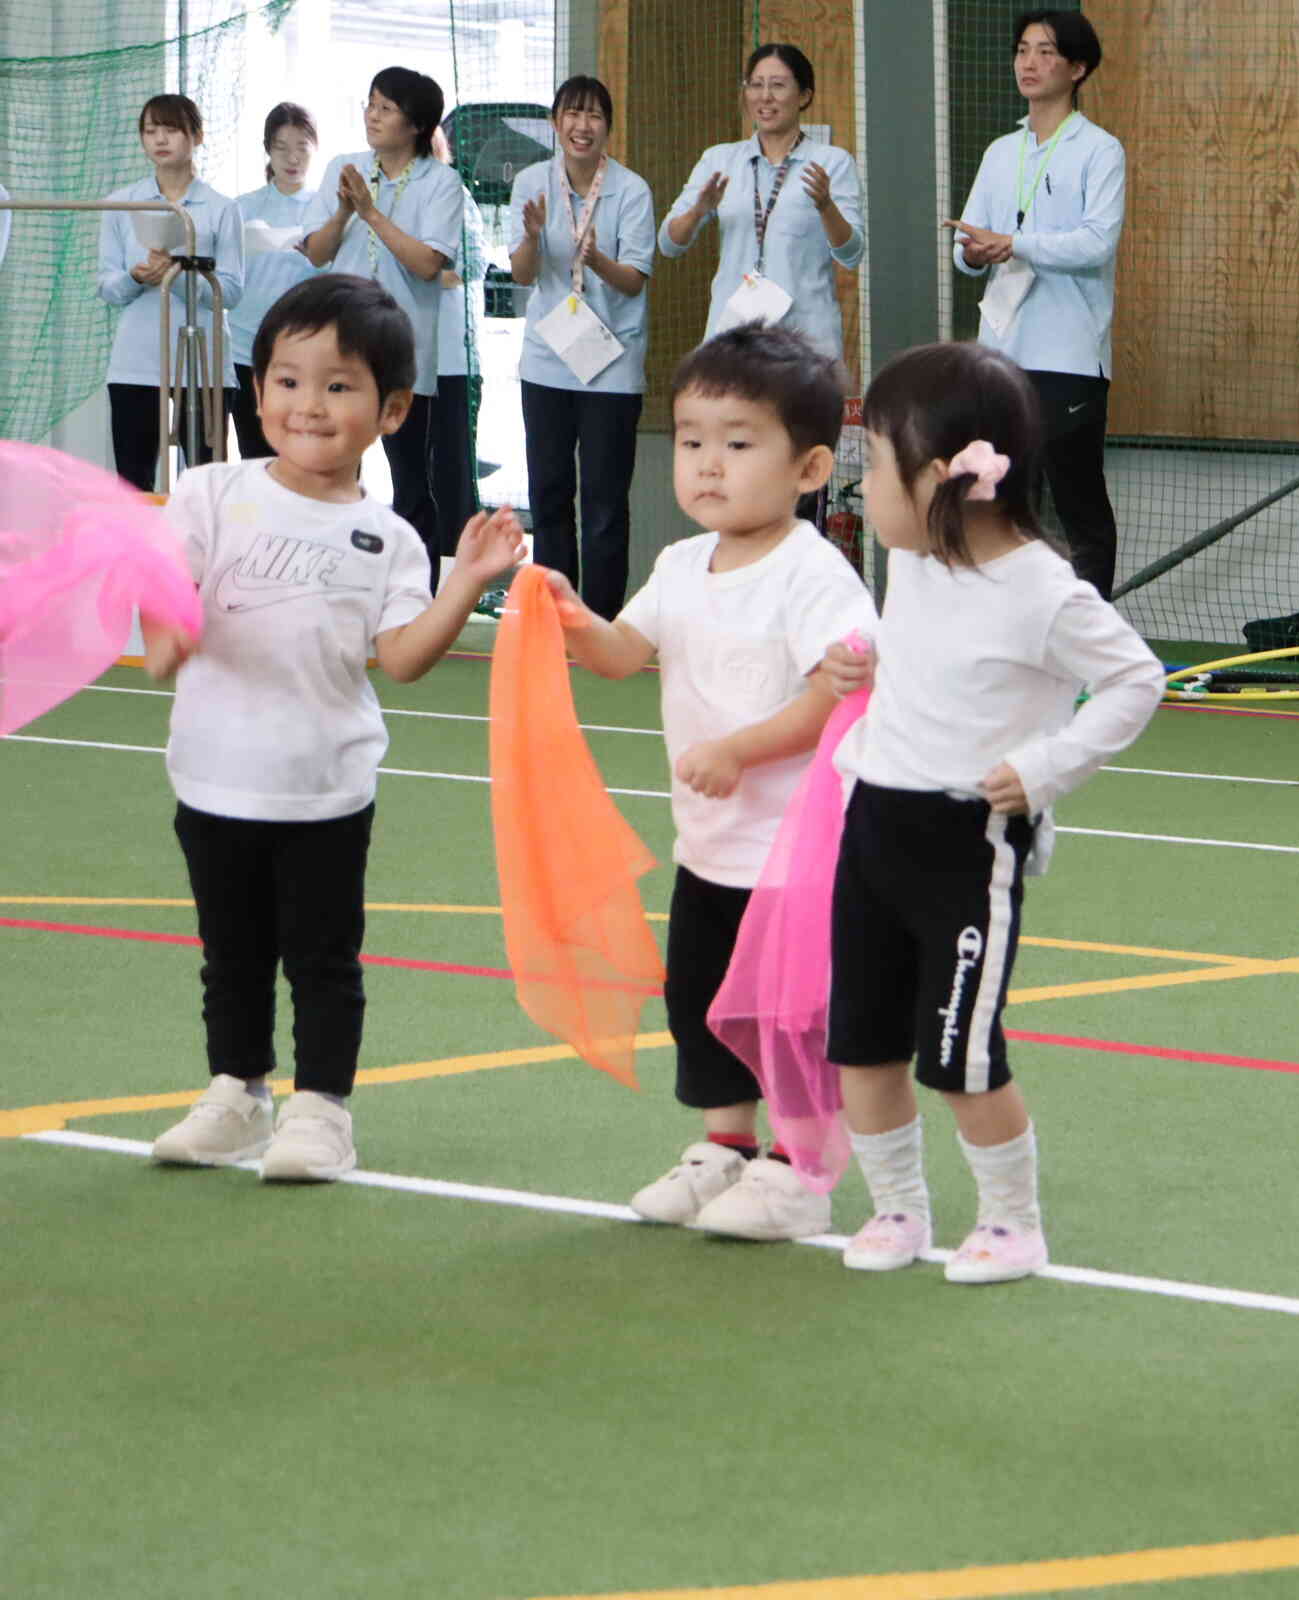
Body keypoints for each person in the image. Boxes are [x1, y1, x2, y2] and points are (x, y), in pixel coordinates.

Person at [140, 273, 528, 1181]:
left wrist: (467, 582)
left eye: (338, 385)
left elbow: (401, 658)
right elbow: (164, 630)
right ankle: (236, 1094)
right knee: (228, 958)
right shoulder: (206, 492)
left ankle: (321, 1111)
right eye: (286, 379)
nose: (307, 404)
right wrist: (161, 627)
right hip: (213, 777)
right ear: (258, 389)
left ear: (391, 410)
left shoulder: (387, 537)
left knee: (323, 960)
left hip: (324, 788)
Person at [813, 341, 1164, 1284]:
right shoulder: (918, 563)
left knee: (961, 1055)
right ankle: (898, 1210)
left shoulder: (1043, 590)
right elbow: (928, 660)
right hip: (872, 828)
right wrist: (866, 659)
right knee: (862, 1044)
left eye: (872, 468)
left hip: (967, 843)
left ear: (936, 478)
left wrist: (1048, 765)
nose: (861, 489)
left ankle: (1013, 1222)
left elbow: (1137, 679)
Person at [542, 324, 875, 1238]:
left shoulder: (816, 574)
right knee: (701, 1005)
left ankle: (799, 1171)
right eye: (691, 440)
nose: (708, 465)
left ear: (809, 469)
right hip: (711, 850)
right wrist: (571, 616)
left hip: (796, 857)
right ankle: (725, 1147)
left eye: (737, 443)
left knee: (790, 1020)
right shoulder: (680, 565)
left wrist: (740, 751)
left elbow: (830, 700)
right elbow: (620, 654)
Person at [948, 11, 1125, 596]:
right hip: (1001, 351)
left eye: (1046, 52)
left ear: (1077, 68)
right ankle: (1010, 635)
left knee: (1077, 502)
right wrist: (974, 253)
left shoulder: (1099, 150)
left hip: (1070, 354)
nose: (1029, 62)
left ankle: (1087, 635)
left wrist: (1016, 243)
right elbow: (965, 242)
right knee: (999, 496)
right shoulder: (1003, 150)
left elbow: (1097, 241)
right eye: (1022, 50)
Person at [299, 67, 466, 558]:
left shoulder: (442, 182)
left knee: (410, 477)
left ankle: (416, 598)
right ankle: (333, 579)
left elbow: (428, 263)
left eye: (386, 108)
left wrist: (372, 213)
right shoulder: (344, 167)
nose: (372, 116)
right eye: (370, 104)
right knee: (334, 469)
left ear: (415, 125)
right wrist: (345, 213)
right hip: (342, 348)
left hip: (405, 353)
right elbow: (315, 253)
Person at [509, 75, 656, 620]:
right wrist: (530, 237)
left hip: (612, 364)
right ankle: (553, 615)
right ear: (555, 123)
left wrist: (595, 260)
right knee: (548, 494)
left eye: (594, 116)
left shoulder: (631, 190)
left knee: (603, 502)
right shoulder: (531, 182)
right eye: (572, 114)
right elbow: (524, 275)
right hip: (548, 361)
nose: (582, 126)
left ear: (607, 129)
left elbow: (635, 279)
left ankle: (600, 619)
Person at [657, 42, 863, 361]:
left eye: (778, 85)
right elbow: (669, 245)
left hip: (807, 342)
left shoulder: (832, 162)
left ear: (804, 96)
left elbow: (852, 254)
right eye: (756, 84)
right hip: (734, 340)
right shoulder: (720, 159)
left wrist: (826, 206)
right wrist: (699, 209)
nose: (765, 96)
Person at [98, 94, 247, 492]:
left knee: (204, 482)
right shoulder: (121, 204)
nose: (159, 140)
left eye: (171, 130)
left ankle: (197, 556)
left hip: (204, 363)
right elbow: (108, 287)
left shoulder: (221, 208)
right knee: (133, 485)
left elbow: (231, 292)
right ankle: (138, 558)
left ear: (196, 135)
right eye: (150, 131)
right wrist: (135, 275)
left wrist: (175, 274)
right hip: (135, 363)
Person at [227, 103, 323, 460]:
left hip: (305, 350)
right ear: (267, 149)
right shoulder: (242, 207)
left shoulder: (325, 208)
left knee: (302, 453)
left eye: (301, 146)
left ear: (315, 149)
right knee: (255, 456)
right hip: (245, 349)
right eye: (281, 147)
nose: (292, 157)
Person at [428, 128, 488, 564]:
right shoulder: (390, 202)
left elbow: (471, 265)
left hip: (453, 360)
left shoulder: (457, 197)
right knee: (414, 475)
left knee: (454, 472)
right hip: (406, 362)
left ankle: (459, 573)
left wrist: (422, 269)